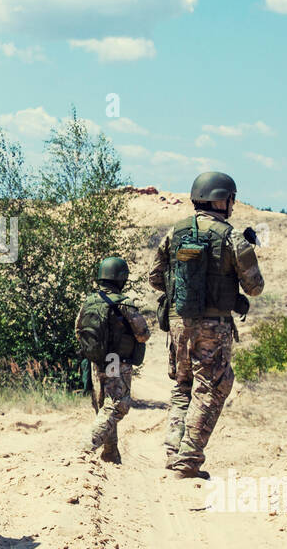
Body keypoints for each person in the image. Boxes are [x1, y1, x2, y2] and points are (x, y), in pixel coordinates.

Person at [148, 172, 263, 479]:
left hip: (177, 323)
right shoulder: (231, 236)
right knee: (212, 387)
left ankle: (174, 451)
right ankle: (188, 460)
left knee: (184, 386)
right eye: (231, 199)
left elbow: (155, 278)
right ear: (221, 200)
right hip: (214, 326)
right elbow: (254, 287)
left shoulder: (176, 232)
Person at [74, 256, 150, 464]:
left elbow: (78, 331)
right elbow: (143, 333)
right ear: (121, 279)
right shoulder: (124, 303)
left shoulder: (89, 301)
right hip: (116, 359)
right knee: (117, 404)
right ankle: (87, 446)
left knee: (103, 406)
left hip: (96, 360)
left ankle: (110, 453)